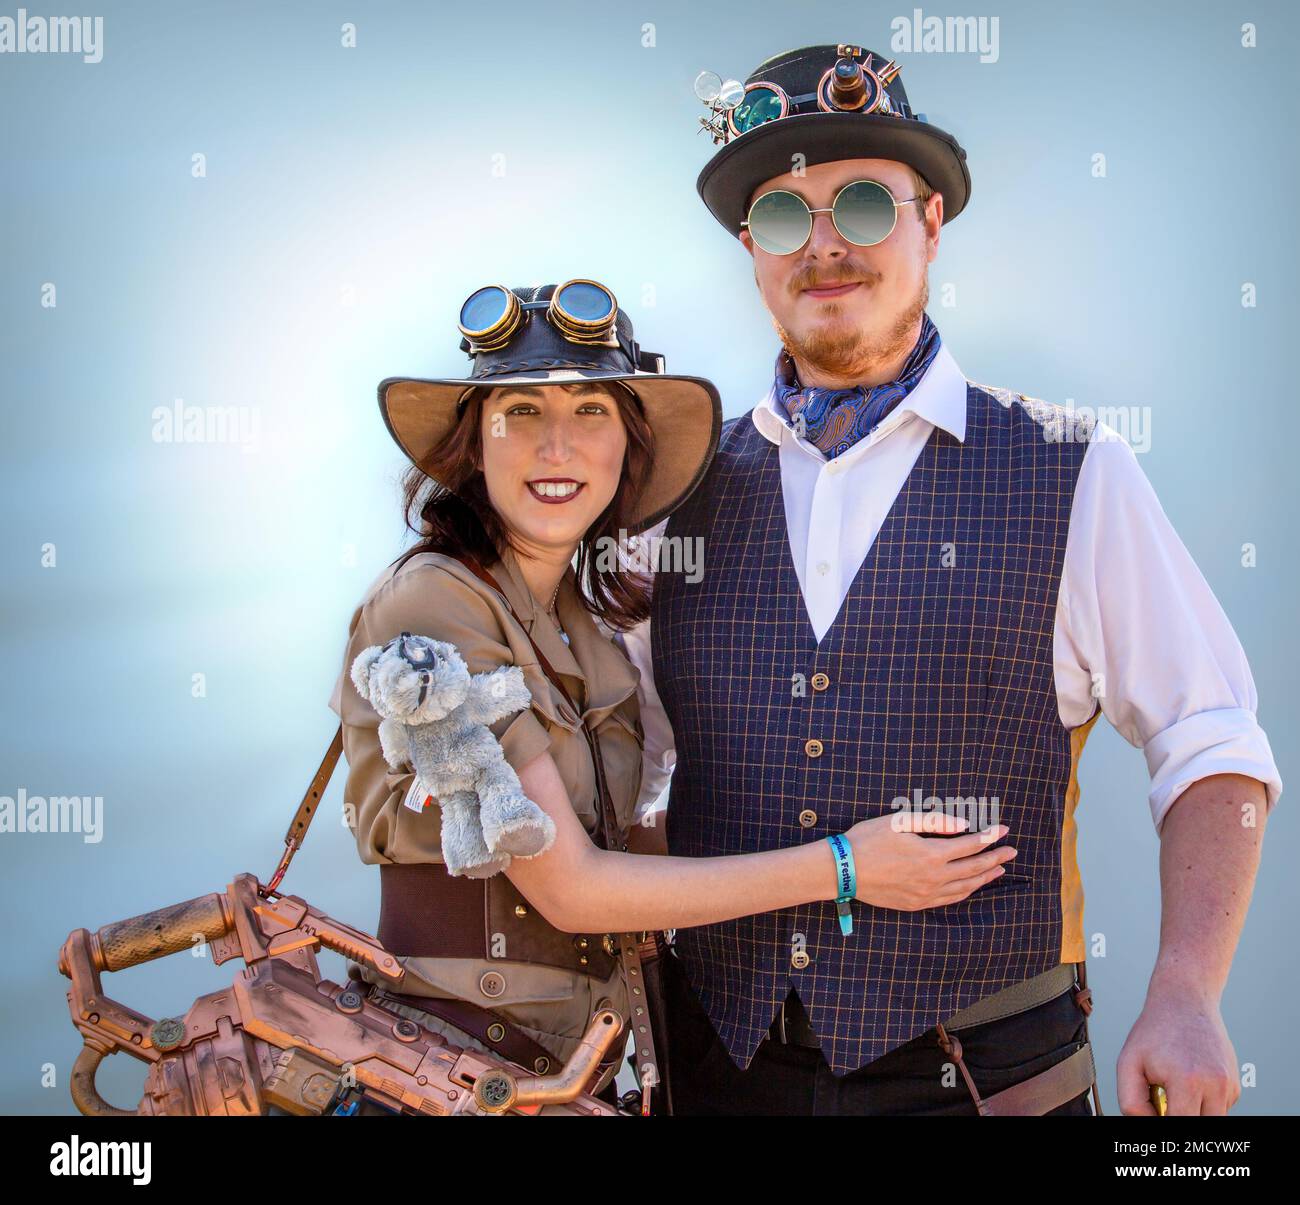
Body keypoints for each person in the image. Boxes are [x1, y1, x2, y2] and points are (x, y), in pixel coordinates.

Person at [621, 42, 1283, 1116]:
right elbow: (628, 776)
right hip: (718, 1070)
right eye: (785, 216)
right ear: (751, 250)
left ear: (930, 222)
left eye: (866, 205)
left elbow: (1211, 741)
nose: (825, 245)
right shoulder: (669, 498)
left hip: (985, 1079)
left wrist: (1186, 989)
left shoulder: (1074, 467)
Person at [327, 280, 1016, 1112]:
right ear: (475, 445)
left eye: (591, 414)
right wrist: (843, 866)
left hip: (564, 1084)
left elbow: (631, 841)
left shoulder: (586, 622)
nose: (557, 448)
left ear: (627, 450)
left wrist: (818, 805)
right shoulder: (431, 602)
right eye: (519, 413)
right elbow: (572, 886)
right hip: (441, 1083)